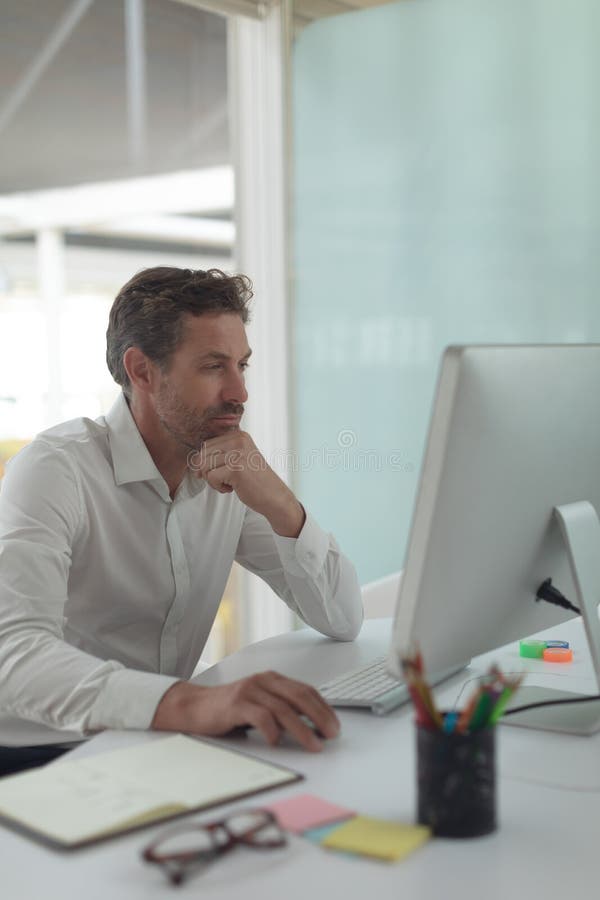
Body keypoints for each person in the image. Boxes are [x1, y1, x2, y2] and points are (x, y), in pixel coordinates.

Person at [0, 267, 363, 775]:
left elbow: (343, 619)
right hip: (40, 755)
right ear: (142, 371)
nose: (239, 392)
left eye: (242, 365)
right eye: (214, 366)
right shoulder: (55, 469)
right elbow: (15, 659)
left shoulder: (229, 471)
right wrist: (194, 703)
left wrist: (283, 505)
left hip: (155, 744)